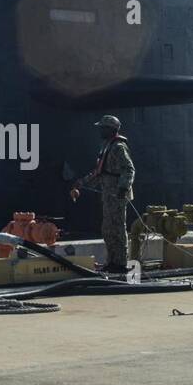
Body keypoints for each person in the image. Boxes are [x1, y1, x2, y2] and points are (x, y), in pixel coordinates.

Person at [70, 115, 136, 273]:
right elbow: (100, 172)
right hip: (108, 194)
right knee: (107, 228)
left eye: (102, 128)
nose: (100, 130)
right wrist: (82, 182)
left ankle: (120, 263)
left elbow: (129, 169)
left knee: (118, 228)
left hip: (117, 195)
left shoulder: (118, 147)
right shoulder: (106, 146)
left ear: (110, 129)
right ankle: (111, 261)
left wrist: (123, 188)